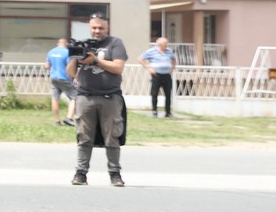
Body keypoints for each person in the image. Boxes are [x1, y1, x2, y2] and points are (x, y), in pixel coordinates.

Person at [67, 13, 128, 187]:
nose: (97, 31)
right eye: (94, 27)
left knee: (112, 137)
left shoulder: (115, 43)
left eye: (101, 28)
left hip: (110, 97)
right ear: (89, 27)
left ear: (107, 28)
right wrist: (75, 55)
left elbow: (118, 67)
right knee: (84, 137)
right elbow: (71, 73)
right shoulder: (83, 44)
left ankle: (115, 174)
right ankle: (80, 173)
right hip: (85, 96)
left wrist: (95, 61)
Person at [139, 37, 178, 117]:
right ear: (160, 45)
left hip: (166, 75)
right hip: (156, 75)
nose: (167, 45)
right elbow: (140, 58)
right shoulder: (151, 51)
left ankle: (168, 112)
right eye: (165, 44)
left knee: (168, 94)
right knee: (154, 93)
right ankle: (154, 111)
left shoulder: (169, 51)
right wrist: (148, 68)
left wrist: (172, 68)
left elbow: (174, 59)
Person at [46, 37, 78, 126]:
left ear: (57, 44)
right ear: (66, 44)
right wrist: (75, 76)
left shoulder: (51, 52)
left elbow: (47, 66)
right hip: (65, 78)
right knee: (75, 97)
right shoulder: (67, 52)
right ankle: (69, 118)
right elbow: (69, 67)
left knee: (55, 99)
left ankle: (57, 121)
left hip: (54, 78)